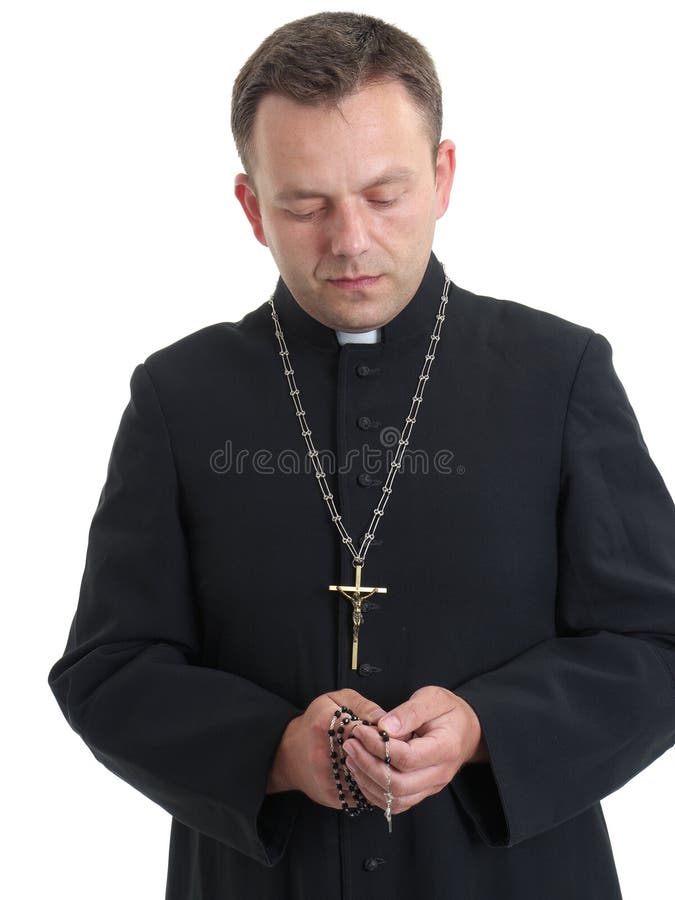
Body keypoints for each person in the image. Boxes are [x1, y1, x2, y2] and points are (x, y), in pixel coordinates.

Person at [47, 11, 675, 900]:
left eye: (384, 196)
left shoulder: (559, 373)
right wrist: (271, 749)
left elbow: (657, 640)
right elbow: (107, 669)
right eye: (305, 204)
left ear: (443, 176)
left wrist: (484, 726)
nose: (349, 241)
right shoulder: (177, 396)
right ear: (251, 206)